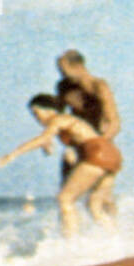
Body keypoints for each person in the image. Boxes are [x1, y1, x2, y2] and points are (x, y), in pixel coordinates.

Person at [0, 94, 116, 237]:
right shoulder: (67, 121)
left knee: (65, 199)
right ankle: (116, 240)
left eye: (36, 113)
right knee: (94, 205)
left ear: (49, 110)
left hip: (96, 154)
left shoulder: (58, 119)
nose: (36, 118)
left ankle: (71, 245)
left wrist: (11, 155)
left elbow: (43, 138)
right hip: (110, 154)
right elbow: (70, 139)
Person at [54, 50, 122, 234]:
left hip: (100, 146)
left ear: (78, 67)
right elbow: (57, 118)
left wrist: (98, 144)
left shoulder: (98, 86)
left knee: (100, 199)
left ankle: (118, 236)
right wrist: (58, 140)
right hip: (76, 145)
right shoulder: (63, 88)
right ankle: (68, 237)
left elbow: (114, 122)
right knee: (65, 195)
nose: (61, 75)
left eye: (63, 70)